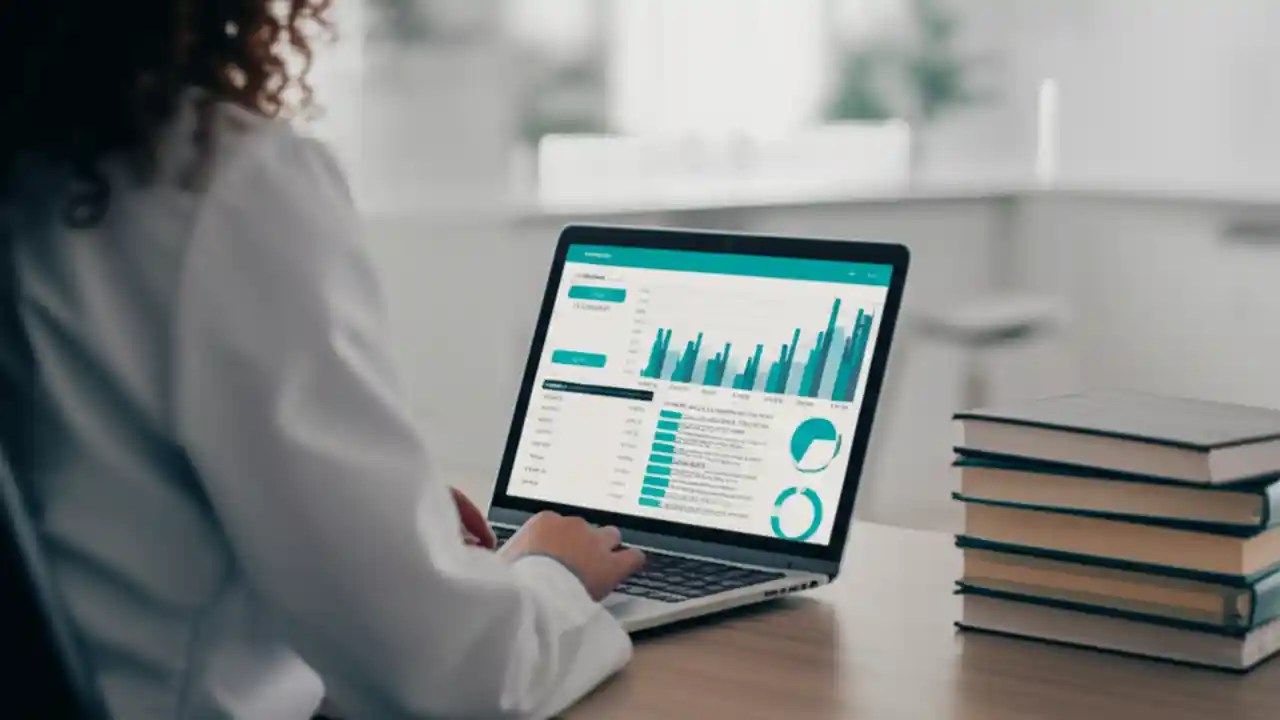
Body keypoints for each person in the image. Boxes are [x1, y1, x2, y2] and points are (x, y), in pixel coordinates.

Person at [0, 2, 645, 718]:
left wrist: (371, 516)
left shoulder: (39, 170)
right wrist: (553, 573)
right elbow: (452, 684)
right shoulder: (212, 183)